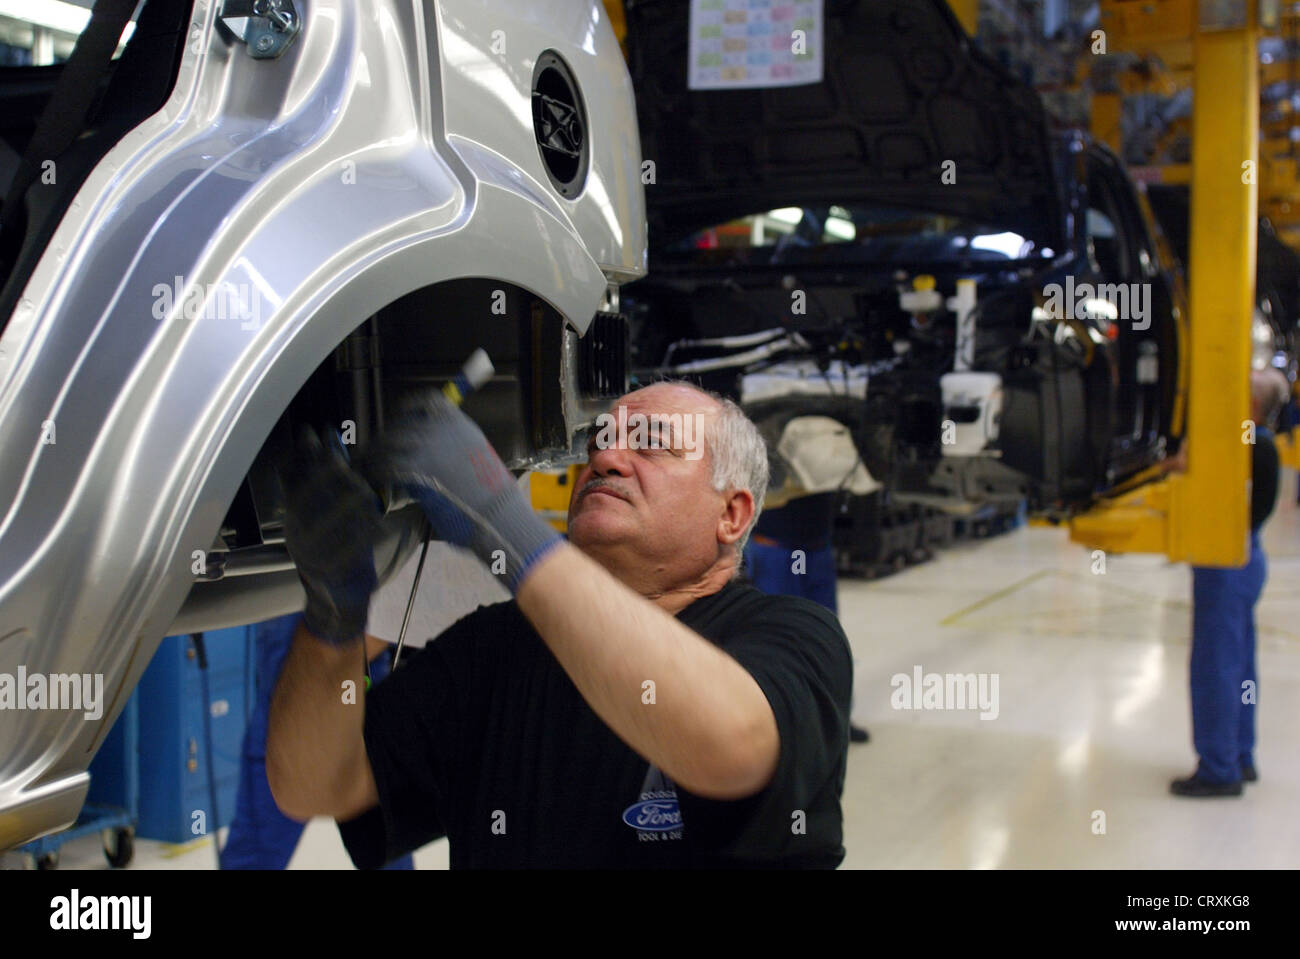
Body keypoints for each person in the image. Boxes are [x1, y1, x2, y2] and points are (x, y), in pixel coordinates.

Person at [266, 382, 852, 867]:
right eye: (599, 442)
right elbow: (314, 785)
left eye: (650, 444)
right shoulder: (492, 648)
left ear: (732, 513)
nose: (605, 458)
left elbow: (731, 744)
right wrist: (333, 616)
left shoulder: (795, 636)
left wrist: (502, 519)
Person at [1170, 369, 1285, 798]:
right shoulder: (1261, 443)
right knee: (1240, 667)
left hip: (1225, 563)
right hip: (1245, 558)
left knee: (1216, 667)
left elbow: (1193, 468)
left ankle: (1219, 770)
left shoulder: (1247, 442)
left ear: (1252, 405)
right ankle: (1240, 753)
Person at [746, 492, 870, 743]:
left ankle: (835, 720)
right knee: (778, 642)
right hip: (776, 548)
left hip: (816, 546)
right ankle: (779, 727)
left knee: (827, 637)